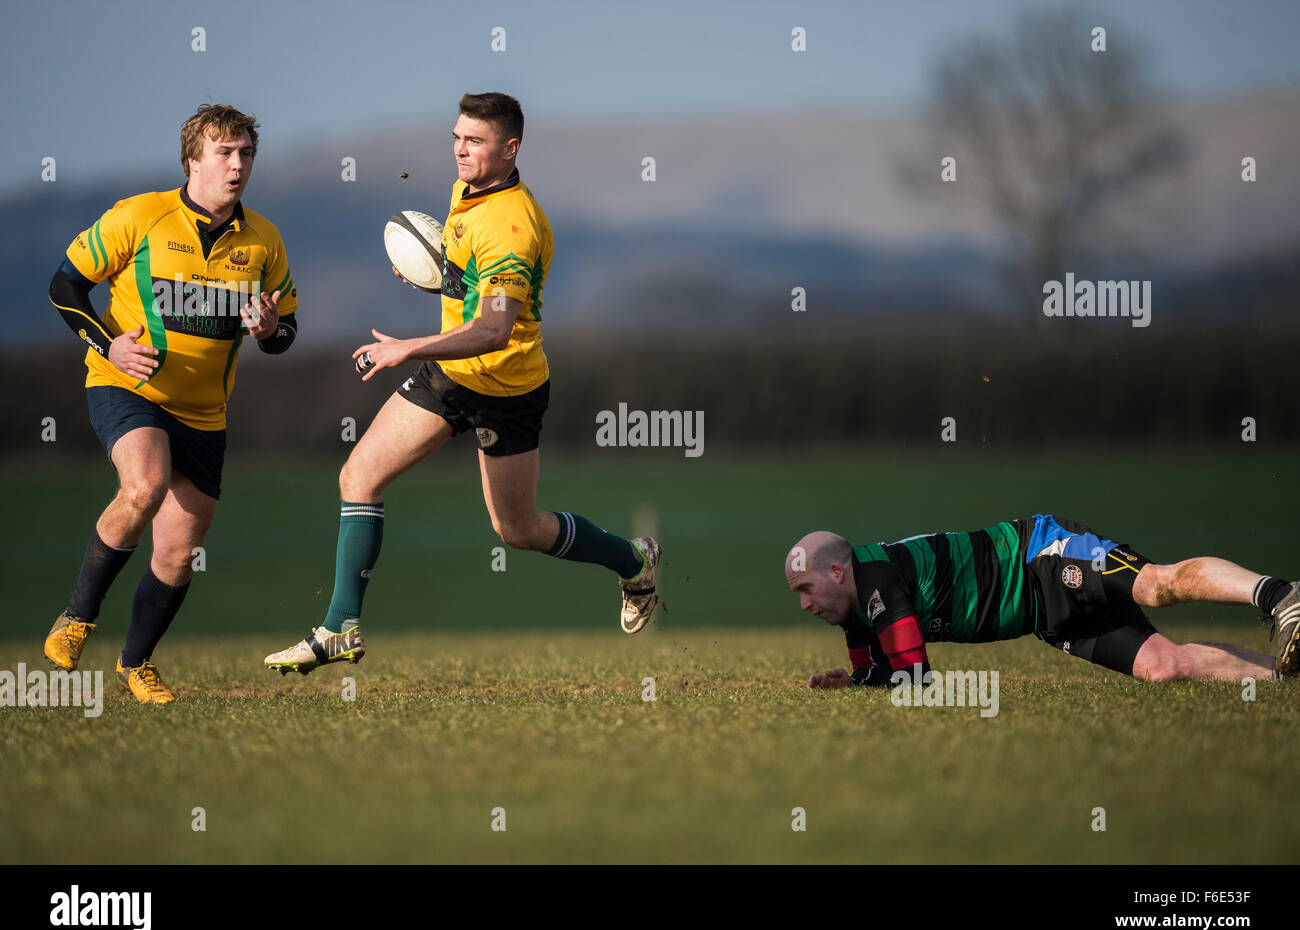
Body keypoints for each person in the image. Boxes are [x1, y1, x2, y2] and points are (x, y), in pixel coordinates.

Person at [263, 92, 659, 675]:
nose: (460, 150)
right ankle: (339, 628)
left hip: (509, 389)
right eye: (456, 137)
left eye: (474, 141)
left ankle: (633, 562)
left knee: (517, 529)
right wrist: (435, 281)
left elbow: (497, 329)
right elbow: (471, 283)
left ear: (511, 148)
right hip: (449, 375)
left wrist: (406, 347)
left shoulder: (513, 224)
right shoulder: (466, 190)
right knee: (359, 476)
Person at [44, 104, 298, 704]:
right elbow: (65, 284)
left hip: (205, 415)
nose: (237, 166)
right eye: (224, 153)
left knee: (180, 552)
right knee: (144, 487)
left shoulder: (263, 240)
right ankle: (77, 616)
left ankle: (136, 667)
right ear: (193, 160)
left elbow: (286, 332)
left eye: (246, 154)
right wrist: (109, 345)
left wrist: (267, 331)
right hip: (127, 386)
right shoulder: (141, 216)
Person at [785, 515, 1300, 688]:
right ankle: (1284, 677)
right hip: (1044, 616)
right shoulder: (855, 614)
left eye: (806, 589)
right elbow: (885, 675)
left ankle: (1280, 595)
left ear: (837, 570)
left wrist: (867, 681)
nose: (805, 604)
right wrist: (855, 682)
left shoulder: (876, 581)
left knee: (1156, 585)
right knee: (1163, 667)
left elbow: (916, 676)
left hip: (1044, 555)